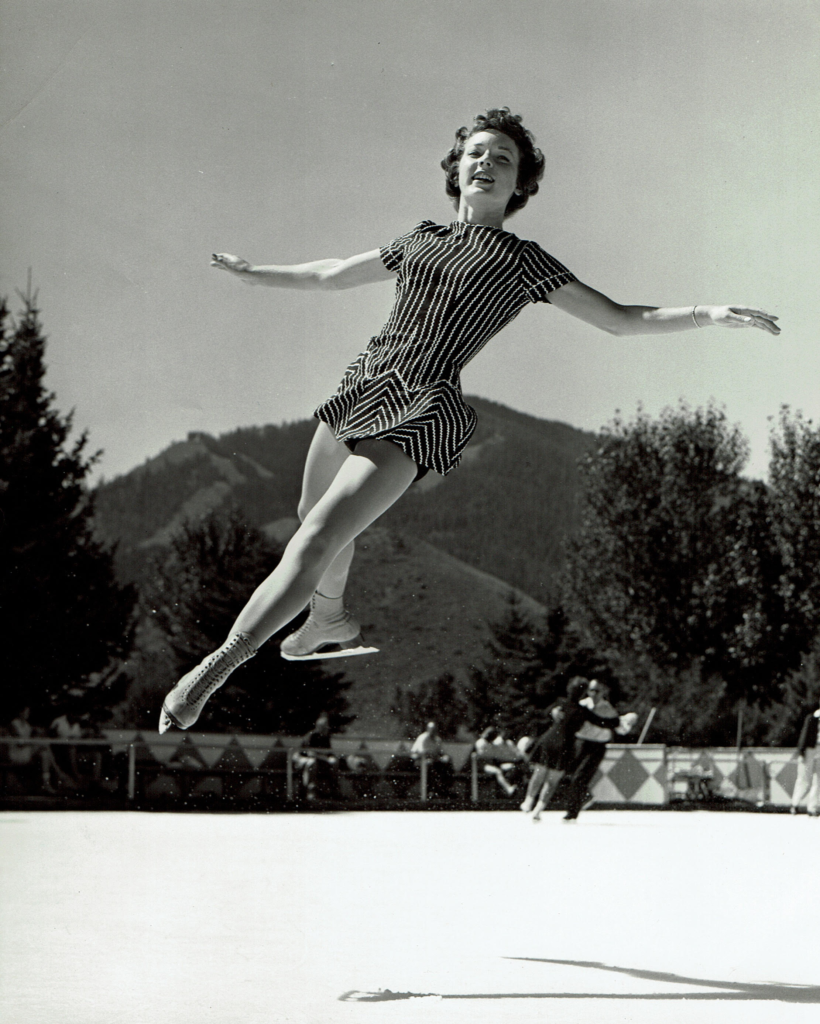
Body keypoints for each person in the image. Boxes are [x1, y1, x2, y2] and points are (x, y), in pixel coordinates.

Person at [158, 107, 780, 733]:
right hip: (362, 383)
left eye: (503, 158)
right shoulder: (418, 240)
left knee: (317, 536)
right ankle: (329, 619)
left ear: (520, 188)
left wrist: (710, 311)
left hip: (424, 404)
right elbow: (330, 275)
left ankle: (218, 664)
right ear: (456, 169)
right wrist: (254, 276)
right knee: (310, 520)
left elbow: (620, 319)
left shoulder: (525, 261)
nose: (486, 162)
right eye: (476, 153)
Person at [520, 677, 623, 820]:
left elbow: (546, 712)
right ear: (585, 692)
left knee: (539, 773)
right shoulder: (583, 709)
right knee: (552, 780)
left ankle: (528, 801)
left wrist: (554, 713)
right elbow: (603, 722)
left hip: (550, 739)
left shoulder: (562, 703)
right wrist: (619, 721)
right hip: (565, 743)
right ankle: (537, 810)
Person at [562, 680, 636, 821]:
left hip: (597, 746)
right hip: (581, 742)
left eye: (597, 691)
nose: (593, 694)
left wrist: (628, 723)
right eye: (591, 690)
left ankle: (572, 812)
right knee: (572, 775)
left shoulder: (608, 708)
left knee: (581, 776)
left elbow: (619, 729)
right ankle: (583, 797)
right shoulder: (583, 704)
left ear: (602, 692)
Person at [790, 700, 820, 816]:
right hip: (810, 749)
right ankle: (795, 804)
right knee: (804, 779)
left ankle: (812, 807)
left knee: (818, 780)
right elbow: (804, 736)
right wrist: (801, 752)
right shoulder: (812, 718)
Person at [475, 726, 522, 797]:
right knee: (497, 771)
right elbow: (483, 756)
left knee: (510, 767)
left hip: (492, 763)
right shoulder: (481, 742)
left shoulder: (491, 744)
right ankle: (508, 789)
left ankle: (507, 792)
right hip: (482, 765)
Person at [411, 721, 453, 797]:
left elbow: (442, 752)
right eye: (431, 729)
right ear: (427, 729)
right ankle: (428, 791)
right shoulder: (422, 738)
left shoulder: (437, 740)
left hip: (434, 761)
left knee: (447, 764)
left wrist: (445, 757)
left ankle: (444, 790)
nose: (433, 731)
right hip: (420, 761)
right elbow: (421, 753)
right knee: (430, 766)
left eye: (434, 729)